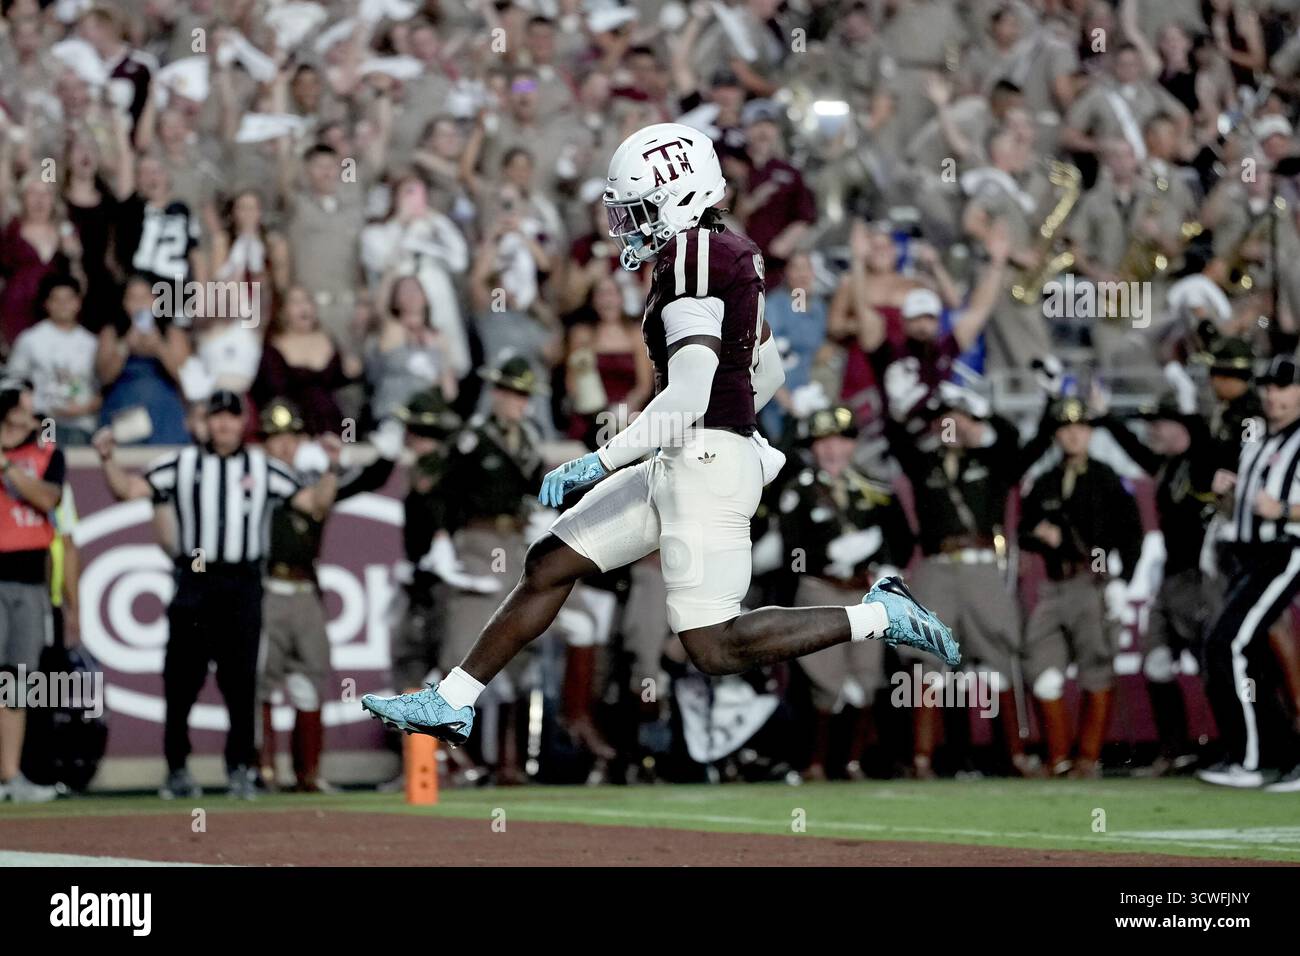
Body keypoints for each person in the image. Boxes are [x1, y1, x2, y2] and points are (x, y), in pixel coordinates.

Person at [361, 123, 958, 746]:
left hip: (703, 461)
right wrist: (721, 420)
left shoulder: (694, 257)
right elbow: (770, 371)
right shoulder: (720, 246)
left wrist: (604, 461)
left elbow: (689, 393)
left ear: (679, 194)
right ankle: (453, 699)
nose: (629, 226)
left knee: (714, 647)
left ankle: (879, 613)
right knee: (549, 562)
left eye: (638, 210)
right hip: (689, 453)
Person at [92, 390, 341, 799]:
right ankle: (176, 768)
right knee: (182, 680)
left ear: (242, 422)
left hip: (243, 583)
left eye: (231, 417)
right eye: (217, 417)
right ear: (204, 421)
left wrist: (332, 466)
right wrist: (106, 458)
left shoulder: (263, 468)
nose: (223, 425)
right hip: (195, 579)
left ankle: (240, 767)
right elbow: (128, 490)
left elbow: (313, 504)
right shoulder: (181, 463)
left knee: (241, 682)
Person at [256, 399, 396, 792]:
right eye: (274, 438)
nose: (283, 445)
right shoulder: (254, 478)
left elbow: (362, 482)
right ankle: (262, 770)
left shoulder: (313, 477)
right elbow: (319, 504)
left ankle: (308, 774)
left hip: (305, 588)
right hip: (267, 585)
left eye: (289, 436)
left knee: (310, 677)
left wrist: (386, 452)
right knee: (262, 680)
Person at [777, 405, 915, 780]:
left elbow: (900, 537)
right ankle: (816, 763)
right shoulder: (799, 492)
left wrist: (888, 566)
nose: (833, 450)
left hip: (864, 593)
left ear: (853, 444)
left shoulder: (872, 488)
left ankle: (851, 761)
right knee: (826, 680)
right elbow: (790, 553)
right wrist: (825, 559)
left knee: (866, 678)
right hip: (819, 590)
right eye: (824, 442)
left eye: (840, 440)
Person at [1019, 395, 1143, 778]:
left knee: (1096, 668)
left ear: (1090, 432)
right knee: (1042, 670)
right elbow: (1023, 531)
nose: (1073, 435)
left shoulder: (1107, 478)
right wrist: (1042, 536)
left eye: (1080, 427)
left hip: (1093, 582)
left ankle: (1087, 758)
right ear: (1056, 434)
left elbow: (1132, 535)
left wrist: (1123, 581)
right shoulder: (1045, 481)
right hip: (1055, 585)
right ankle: (1058, 757)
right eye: (1065, 428)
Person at [1096, 393, 1219, 773]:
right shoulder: (1167, 466)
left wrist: (1185, 407)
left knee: (1216, 664)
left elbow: (1207, 436)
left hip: (1202, 579)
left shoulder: (1204, 461)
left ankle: (1246, 748)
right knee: (1157, 663)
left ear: (1181, 427)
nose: (1152, 431)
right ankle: (1175, 750)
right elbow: (1135, 450)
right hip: (1169, 580)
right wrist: (1107, 417)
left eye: (1160, 424)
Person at [1198, 354, 1300, 792]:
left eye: (1284, 386)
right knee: (1248, 654)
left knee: (1229, 642)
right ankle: (1277, 755)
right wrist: (1230, 490)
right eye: (1269, 387)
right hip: (1248, 556)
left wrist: (1285, 510)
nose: (1274, 395)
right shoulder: (1259, 440)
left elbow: (1279, 506)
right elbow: (1247, 504)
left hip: (1284, 551)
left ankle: (1251, 758)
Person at [0, 377, 62, 802]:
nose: (28, 412)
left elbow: (48, 499)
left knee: (17, 681)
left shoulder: (45, 452)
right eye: (20, 404)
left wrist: (6, 468)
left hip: (28, 578)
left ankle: (10, 775)